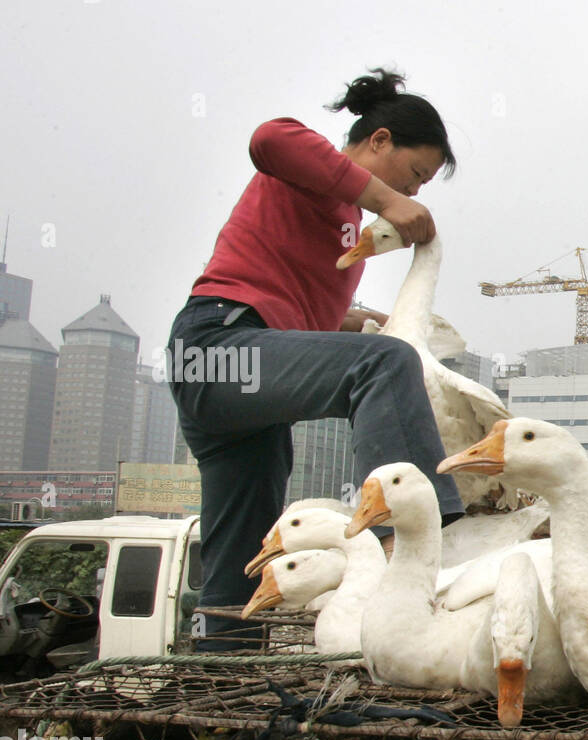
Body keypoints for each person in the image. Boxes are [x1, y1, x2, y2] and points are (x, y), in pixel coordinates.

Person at [166, 68, 465, 650]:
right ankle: (422, 533)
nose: (414, 194)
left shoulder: (347, 224)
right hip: (219, 345)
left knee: (241, 568)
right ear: (378, 140)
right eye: (414, 175)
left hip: (245, 399)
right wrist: (384, 199)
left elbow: (303, 316)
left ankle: (220, 698)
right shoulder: (314, 170)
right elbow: (268, 138)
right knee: (382, 363)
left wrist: (361, 321)